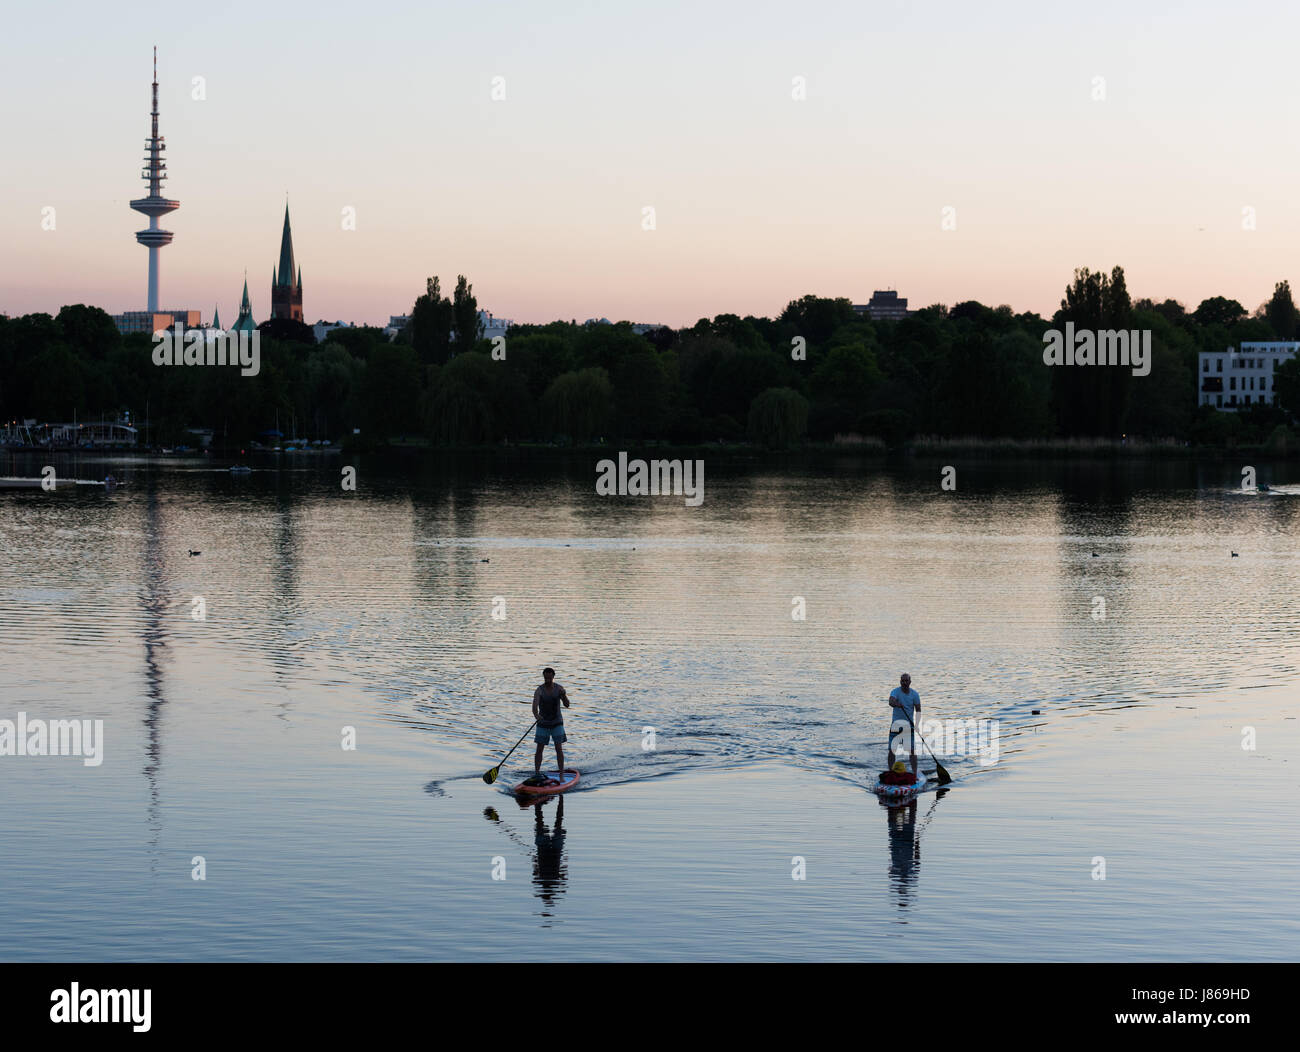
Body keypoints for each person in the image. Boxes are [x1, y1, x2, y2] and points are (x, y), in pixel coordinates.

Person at [532, 667, 571, 779]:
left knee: (558, 748)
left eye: (549, 678)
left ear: (553, 677)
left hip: (556, 722)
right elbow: (534, 707)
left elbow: (567, 705)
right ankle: (537, 773)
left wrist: (563, 696)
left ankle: (562, 774)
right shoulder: (539, 690)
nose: (547, 680)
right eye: (546, 678)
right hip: (543, 722)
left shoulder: (559, 689)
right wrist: (536, 716)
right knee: (539, 748)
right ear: (543, 677)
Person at [887, 673, 920, 776]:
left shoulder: (914, 694)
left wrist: (917, 725)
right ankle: (891, 771)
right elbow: (891, 701)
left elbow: (918, 710)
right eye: (902, 681)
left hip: (908, 727)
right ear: (900, 682)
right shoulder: (895, 692)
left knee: (912, 751)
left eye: (906, 681)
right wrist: (896, 704)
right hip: (895, 726)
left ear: (910, 682)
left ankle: (914, 773)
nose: (904, 683)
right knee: (892, 750)